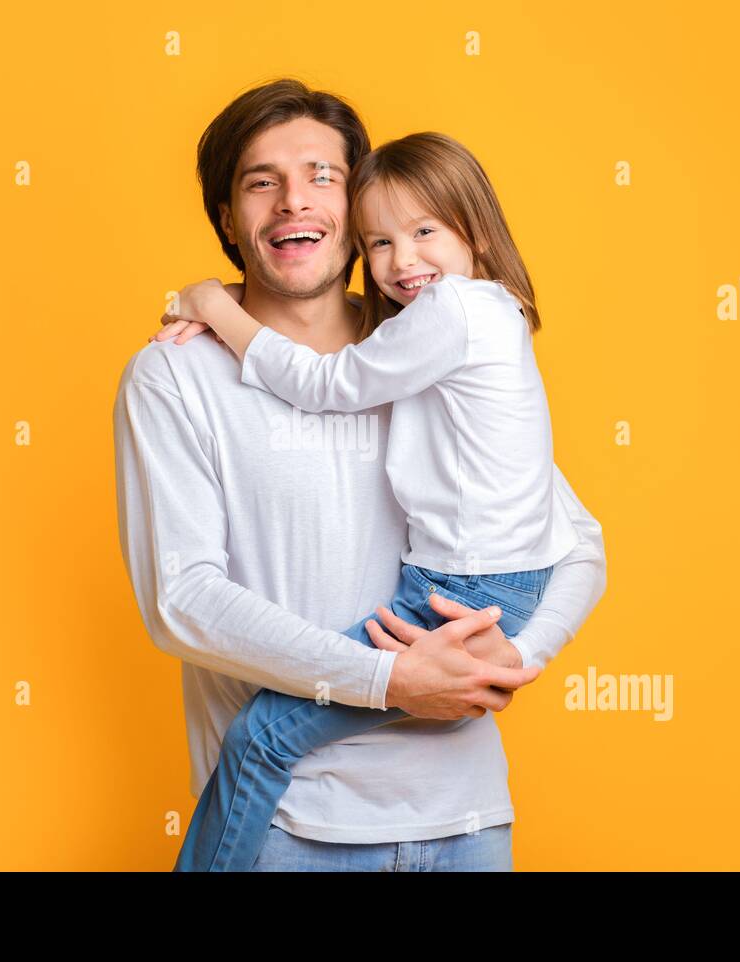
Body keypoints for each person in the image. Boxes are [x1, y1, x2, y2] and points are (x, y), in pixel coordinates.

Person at [114, 79, 607, 872]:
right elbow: (184, 600)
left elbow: (575, 543)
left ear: (358, 205)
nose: (292, 202)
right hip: (289, 831)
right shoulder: (173, 376)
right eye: (260, 181)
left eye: (321, 176)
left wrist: (513, 657)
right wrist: (391, 678)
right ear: (226, 219)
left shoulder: (424, 344)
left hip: (466, 822)